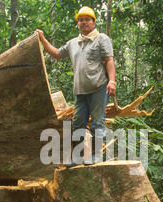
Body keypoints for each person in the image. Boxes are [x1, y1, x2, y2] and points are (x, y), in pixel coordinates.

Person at [35, 6, 116, 166]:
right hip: (80, 91)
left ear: (93, 22)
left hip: (99, 87)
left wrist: (112, 81)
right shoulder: (73, 43)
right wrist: (43, 40)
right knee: (78, 123)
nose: (84, 22)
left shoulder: (102, 39)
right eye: (81, 20)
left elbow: (109, 61)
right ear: (77, 24)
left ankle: (96, 155)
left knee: (97, 122)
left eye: (87, 20)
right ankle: (77, 157)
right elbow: (57, 54)